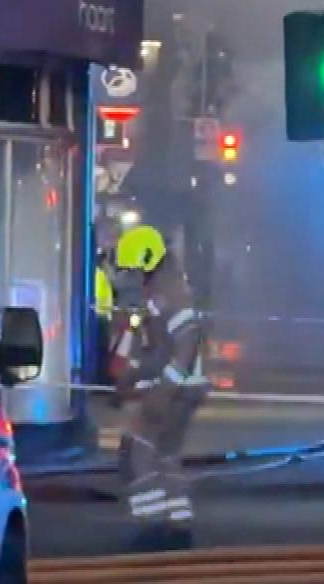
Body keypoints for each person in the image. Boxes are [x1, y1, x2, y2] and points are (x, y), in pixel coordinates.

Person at [113, 225, 210, 547]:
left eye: (133, 270)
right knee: (166, 456)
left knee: (138, 454)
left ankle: (151, 527)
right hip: (186, 389)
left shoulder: (170, 295)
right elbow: (161, 348)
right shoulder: (165, 291)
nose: (129, 277)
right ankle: (178, 526)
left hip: (177, 391)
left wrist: (163, 390)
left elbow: (186, 342)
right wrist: (135, 375)